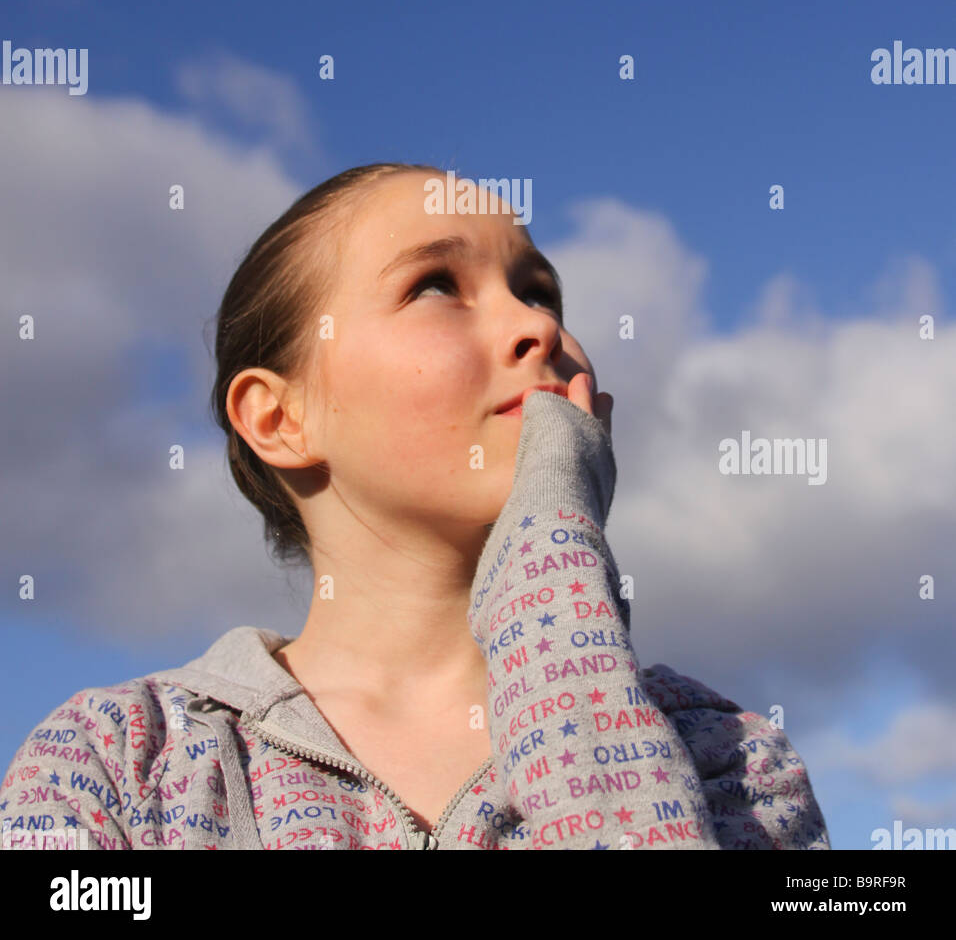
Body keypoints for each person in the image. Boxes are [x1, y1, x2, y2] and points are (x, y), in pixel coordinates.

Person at [0, 162, 831, 851]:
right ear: (280, 418)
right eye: (435, 284)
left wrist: (553, 559)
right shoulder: (118, 759)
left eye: (539, 292)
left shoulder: (732, 758)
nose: (535, 328)